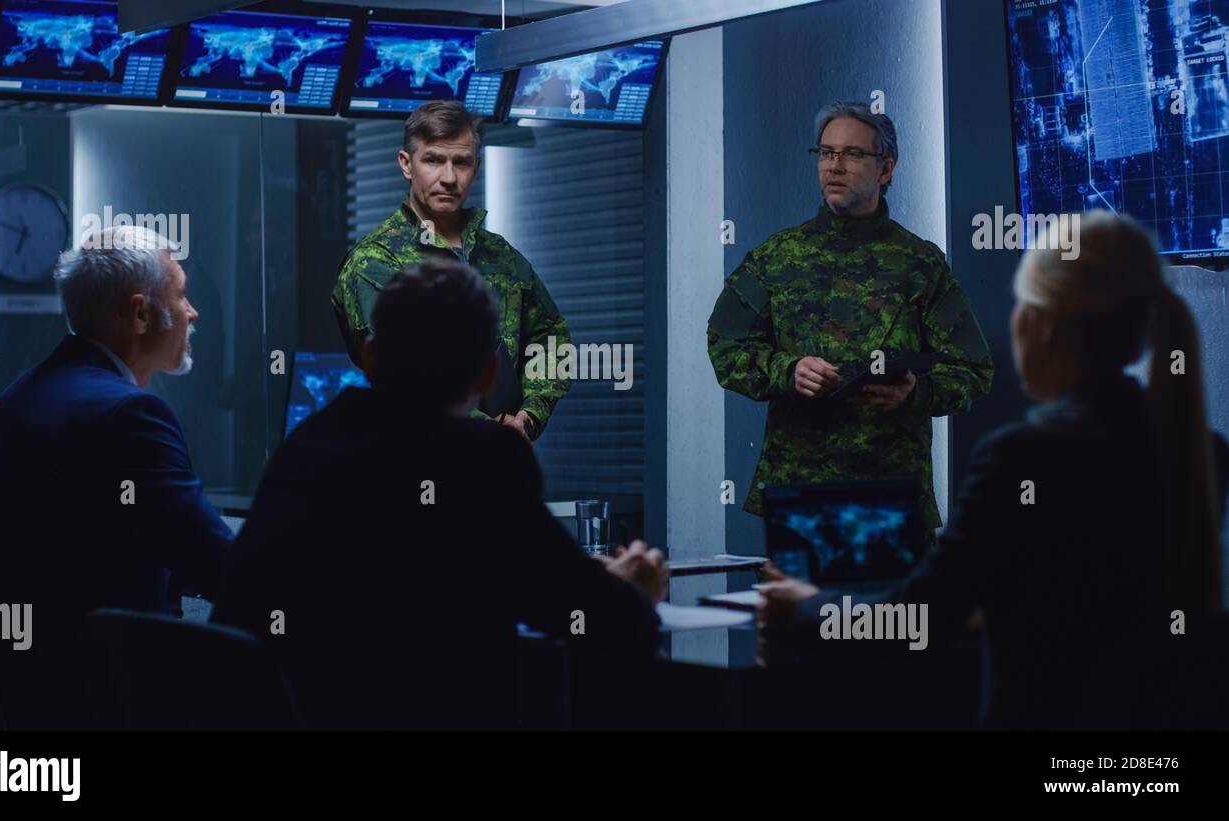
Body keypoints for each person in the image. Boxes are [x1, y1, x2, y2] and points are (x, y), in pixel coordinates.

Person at [759, 211, 1229, 729]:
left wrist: (809, 607)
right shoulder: (1203, 451)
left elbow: (923, 621)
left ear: (1043, 325)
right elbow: (1095, 600)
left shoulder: (1024, 455)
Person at [218, 259, 666, 729]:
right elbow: (578, 610)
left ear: (369, 357)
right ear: (489, 374)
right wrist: (634, 592)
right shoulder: (483, 459)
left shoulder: (309, 443)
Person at [0, 225, 232, 728]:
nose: (193, 312)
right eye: (181, 294)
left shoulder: (22, 395)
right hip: (103, 696)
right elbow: (215, 562)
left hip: (24, 690)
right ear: (140, 313)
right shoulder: (129, 414)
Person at [706, 101, 994, 535]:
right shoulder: (777, 256)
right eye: (826, 153)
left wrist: (916, 393)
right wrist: (788, 370)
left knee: (891, 607)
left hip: (890, 494)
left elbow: (973, 369)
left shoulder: (919, 263)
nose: (835, 166)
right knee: (797, 605)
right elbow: (724, 344)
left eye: (853, 154)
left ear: (885, 169)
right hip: (799, 492)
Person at [331, 100, 571, 442]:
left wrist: (529, 415)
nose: (448, 177)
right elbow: (401, 374)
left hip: (496, 466)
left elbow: (551, 339)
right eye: (433, 160)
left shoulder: (500, 254)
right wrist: (491, 432)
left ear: (476, 166)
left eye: (461, 162)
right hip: (410, 468)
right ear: (406, 164)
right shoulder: (374, 261)